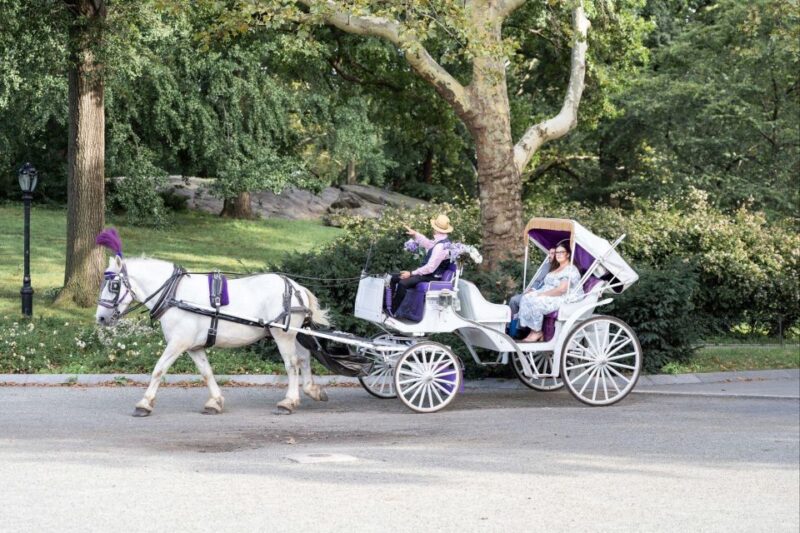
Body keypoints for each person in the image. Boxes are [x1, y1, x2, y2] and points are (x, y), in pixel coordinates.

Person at [518, 241, 583, 342]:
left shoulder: (570, 269)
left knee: (536, 301)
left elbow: (561, 290)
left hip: (563, 297)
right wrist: (536, 293)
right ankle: (531, 329)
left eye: (561, 252)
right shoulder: (557, 267)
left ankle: (537, 332)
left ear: (568, 254)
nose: (558, 255)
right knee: (526, 297)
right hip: (550, 294)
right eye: (557, 252)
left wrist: (542, 294)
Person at [389, 214, 454, 315]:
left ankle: (393, 312)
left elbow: (430, 268)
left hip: (431, 276)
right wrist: (415, 234)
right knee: (393, 277)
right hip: (428, 274)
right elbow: (428, 243)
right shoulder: (441, 241)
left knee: (403, 283)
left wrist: (411, 273)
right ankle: (388, 305)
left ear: (436, 229)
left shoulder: (440, 246)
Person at [508, 248, 555, 318]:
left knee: (527, 304)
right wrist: (533, 289)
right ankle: (512, 323)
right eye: (549, 253)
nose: (549, 256)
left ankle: (521, 322)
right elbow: (537, 280)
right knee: (513, 300)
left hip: (546, 296)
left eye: (552, 253)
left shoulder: (561, 269)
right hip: (536, 292)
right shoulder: (547, 265)